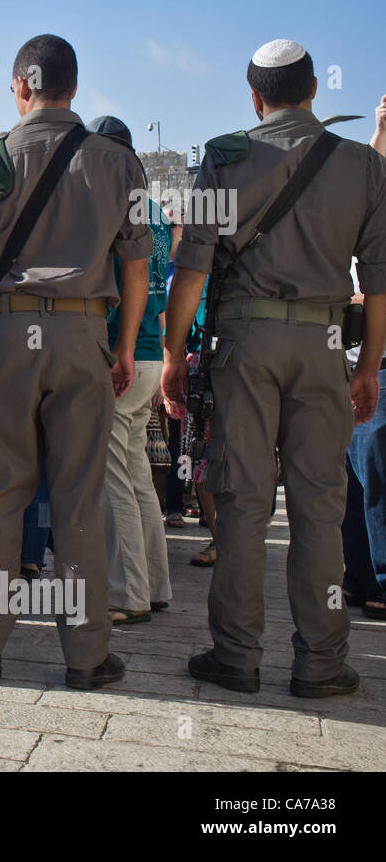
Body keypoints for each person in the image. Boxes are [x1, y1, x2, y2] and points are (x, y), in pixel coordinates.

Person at [164, 40, 386, 698]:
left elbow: (191, 268)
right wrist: (369, 365)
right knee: (321, 504)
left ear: (253, 95)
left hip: (243, 346)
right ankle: (321, 661)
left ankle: (235, 656)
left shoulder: (225, 155)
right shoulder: (363, 166)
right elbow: (377, 282)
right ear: (315, 89)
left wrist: (176, 354)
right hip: (323, 343)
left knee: (241, 501)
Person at [0, 34, 149, 689]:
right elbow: (137, 265)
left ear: (20, 84)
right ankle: (88, 657)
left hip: (9, 333)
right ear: (73, 85)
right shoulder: (120, 161)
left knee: (1, 489)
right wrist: (123, 346)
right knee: (79, 497)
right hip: (84, 335)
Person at [90, 115, 173, 624]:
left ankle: (127, 594)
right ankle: (154, 585)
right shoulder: (157, 211)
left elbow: (123, 287)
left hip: (122, 352)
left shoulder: (117, 205)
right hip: (147, 354)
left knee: (114, 475)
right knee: (137, 474)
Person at [341, 95, 386, 621]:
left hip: (375, 365)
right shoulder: (365, 200)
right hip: (348, 363)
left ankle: (380, 579)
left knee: (375, 475)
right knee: (349, 477)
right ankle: (357, 577)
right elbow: (373, 173)